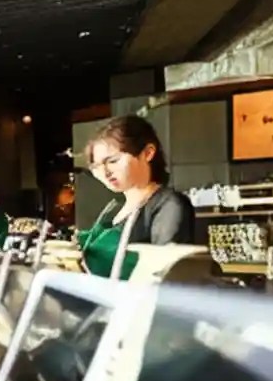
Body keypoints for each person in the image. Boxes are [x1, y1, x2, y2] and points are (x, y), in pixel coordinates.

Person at [78, 115, 194, 279]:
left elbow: (165, 272)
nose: (104, 173)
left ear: (147, 153)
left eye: (113, 161)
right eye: (96, 167)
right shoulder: (114, 208)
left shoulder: (169, 205)